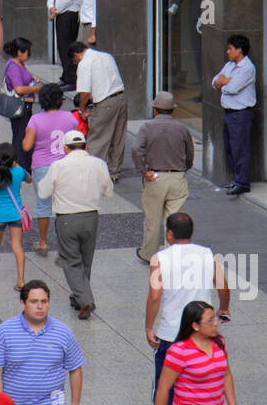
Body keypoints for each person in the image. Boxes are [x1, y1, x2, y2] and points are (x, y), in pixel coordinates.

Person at [145, 212, 231, 405]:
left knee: (165, 379)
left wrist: (149, 327)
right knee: (202, 373)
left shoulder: (160, 258)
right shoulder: (206, 254)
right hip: (201, 330)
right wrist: (223, 308)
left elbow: (155, 296)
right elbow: (223, 286)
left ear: (169, 234)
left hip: (171, 330)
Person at [36, 128, 112, 320]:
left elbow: (43, 193)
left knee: (70, 261)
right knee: (86, 260)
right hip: (91, 217)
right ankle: (78, 297)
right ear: (85, 146)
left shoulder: (58, 165)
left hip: (67, 219)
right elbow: (108, 191)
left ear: (66, 148)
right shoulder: (99, 164)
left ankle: (85, 299)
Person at [133, 91, 195, 262]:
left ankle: (148, 254)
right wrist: (185, 168)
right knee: (174, 219)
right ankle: (173, 255)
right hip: (177, 178)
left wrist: (143, 170)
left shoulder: (147, 127)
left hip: (155, 177)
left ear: (155, 110)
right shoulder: (182, 128)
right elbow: (189, 153)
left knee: (152, 220)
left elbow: (136, 149)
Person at [22, 83, 80, 259]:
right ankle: (63, 247)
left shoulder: (35, 120)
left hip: (42, 166)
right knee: (64, 205)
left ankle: (43, 242)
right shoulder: (70, 119)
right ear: (60, 100)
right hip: (66, 165)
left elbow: (26, 146)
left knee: (43, 205)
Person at [71, 40, 128, 181]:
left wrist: (81, 109)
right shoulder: (106, 56)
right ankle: (114, 172)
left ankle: (91, 174)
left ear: (76, 55)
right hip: (121, 98)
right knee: (118, 137)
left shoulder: (84, 63)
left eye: (74, 60)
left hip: (106, 102)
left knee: (97, 138)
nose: (76, 62)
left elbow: (84, 93)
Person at [212, 33, 257, 196]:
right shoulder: (230, 65)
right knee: (230, 148)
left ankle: (243, 182)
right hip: (229, 113)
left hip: (241, 114)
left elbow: (232, 88)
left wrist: (223, 82)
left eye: (230, 49)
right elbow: (214, 81)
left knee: (240, 149)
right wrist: (222, 81)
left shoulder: (247, 68)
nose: (227, 52)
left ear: (239, 50)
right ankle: (237, 179)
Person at [0, 142, 30, 289]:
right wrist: (17, 166)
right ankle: (21, 280)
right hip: (15, 215)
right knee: (17, 245)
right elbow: (29, 179)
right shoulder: (19, 172)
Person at [1, 38, 42, 172]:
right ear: (19, 52)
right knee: (21, 137)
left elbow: (23, 79)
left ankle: (20, 164)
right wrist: (35, 89)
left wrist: (32, 78)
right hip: (20, 107)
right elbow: (19, 89)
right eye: (27, 52)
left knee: (21, 135)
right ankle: (22, 167)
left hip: (25, 107)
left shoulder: (19, 64)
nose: (29, 55)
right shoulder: (13, 67)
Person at [47, 0, 84, 87]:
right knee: (62, 46)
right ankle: (66, 74)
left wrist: (55, 11)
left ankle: (72, 78)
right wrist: (50, 6)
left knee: (67, 46)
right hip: (60, 13)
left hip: (68, 13)